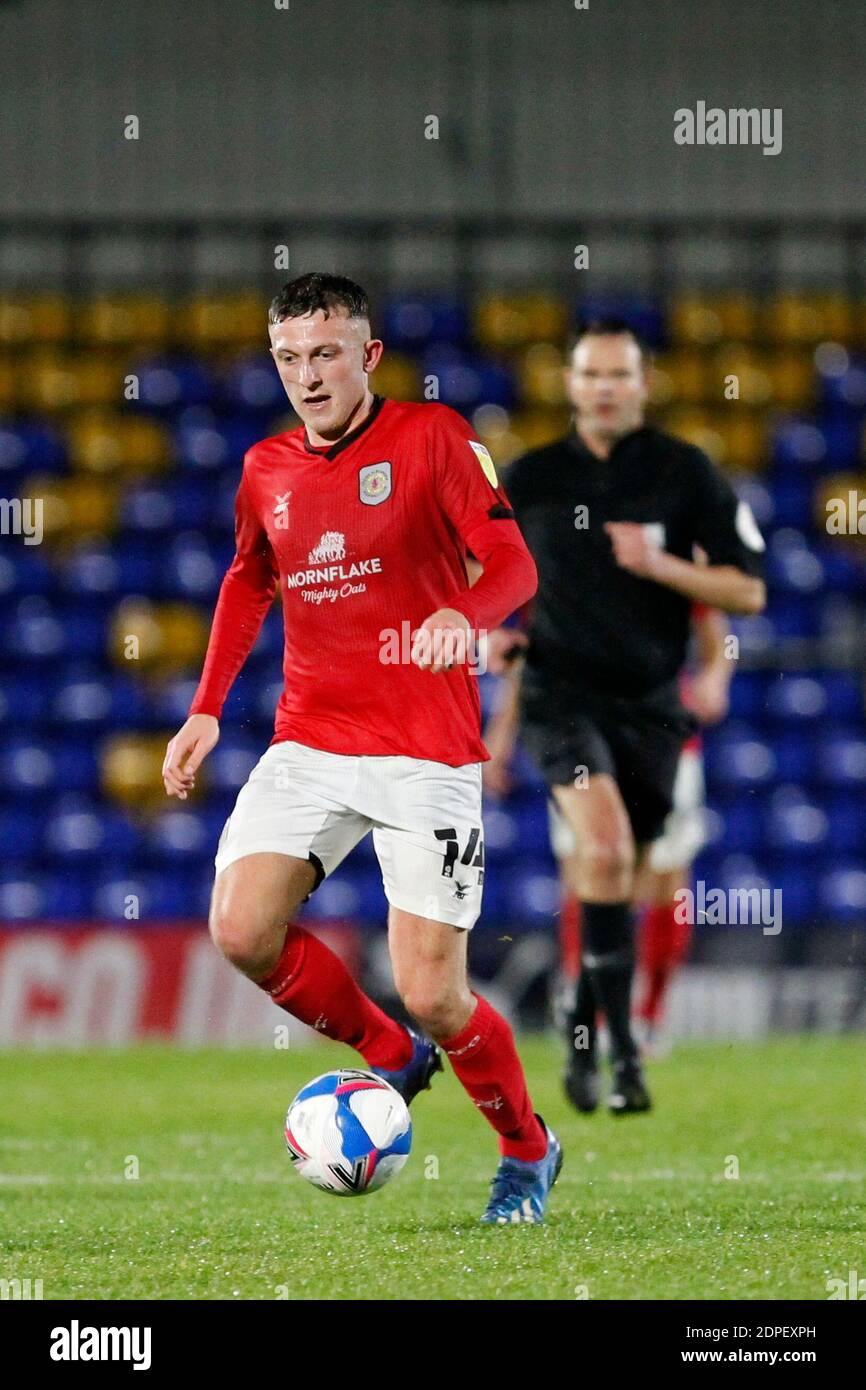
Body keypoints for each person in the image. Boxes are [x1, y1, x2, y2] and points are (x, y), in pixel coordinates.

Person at [161, 273, 562, 1224]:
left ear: (369, 356)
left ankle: (528, 1149)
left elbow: (513, 562)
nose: (309, 374)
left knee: (437, 993)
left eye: (327, 353)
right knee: (241, 928)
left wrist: (462, 617)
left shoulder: (434, 438)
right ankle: (386, 1055)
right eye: (291, 358)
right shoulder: (266, 468)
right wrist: (208, 706)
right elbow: (246, 579)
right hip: (311, 739)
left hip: (426, 749)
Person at [482, 319, 766, 1115]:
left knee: (641, 874)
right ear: (570, 384)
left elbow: (744, 591)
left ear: (642, 385)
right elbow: (509, 608)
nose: (605, 387)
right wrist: (499, 729)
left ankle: (594, 1017)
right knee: (600, 855)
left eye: (620, 375)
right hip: (560, 704)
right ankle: (617, 1043)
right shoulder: (529, 480)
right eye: (590, 374)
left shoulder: (685, 475)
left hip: (650, 709)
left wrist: (662, 566)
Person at [486, 603, 733, 1101]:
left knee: (662, 881)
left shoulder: (662, 545)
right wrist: (501, 734)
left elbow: (718, 639)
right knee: (584, 873)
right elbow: (529, 662)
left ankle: (650, 1016)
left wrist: (715, 679)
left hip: (660, 737)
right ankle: (589, 1016)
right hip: (578, 739)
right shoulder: (561, 557)